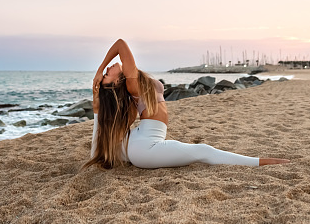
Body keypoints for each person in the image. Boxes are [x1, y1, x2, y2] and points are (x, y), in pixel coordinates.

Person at [83, 39, 290, 170]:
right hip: (146, 145)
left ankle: (97, 115)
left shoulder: (134, 85)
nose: (106, 70)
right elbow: (120, 44)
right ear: (118, 81)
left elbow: (119, 45)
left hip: (140, 140)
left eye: (105, 72)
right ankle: (261, 162)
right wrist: (98, 77)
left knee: (105, 149)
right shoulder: (132, 83)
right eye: (107, 75)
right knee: (203, 151)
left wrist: (98, 77)